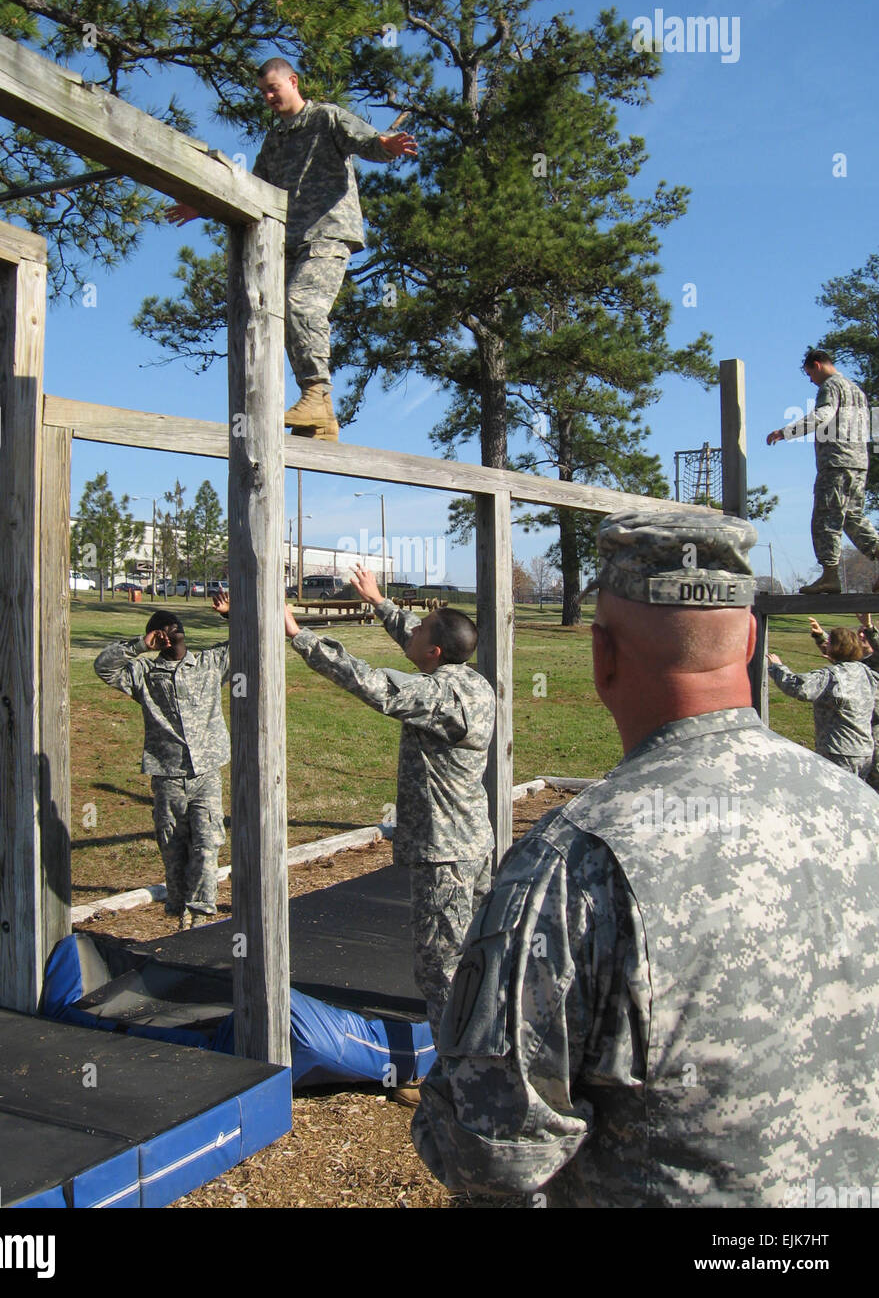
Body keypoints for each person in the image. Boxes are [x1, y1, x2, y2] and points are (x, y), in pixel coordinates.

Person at [412, 507, 879, 1204]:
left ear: (602, 656)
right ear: (749, 641)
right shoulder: (858, 809)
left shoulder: (572, 864)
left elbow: (491, 1153)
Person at [284, 566, 496, 1062]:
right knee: (479, 953)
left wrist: (299, 636)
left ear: (435, 653)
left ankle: (456, 1076)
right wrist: (380, 604)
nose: (413, 629)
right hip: (474, 842)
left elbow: (375, 684)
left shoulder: (438, 696)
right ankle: (491, 1046)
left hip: (445, 852)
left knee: (442, 966)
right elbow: (421, 644)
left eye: (420, 629)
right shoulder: (471, 682)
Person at [169, 59, 417, 441]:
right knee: (276, 312)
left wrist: (384, 145)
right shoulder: (276, 140)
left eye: (274, 88)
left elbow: (366, 140)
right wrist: (204, 204)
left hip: (330, 231)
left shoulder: (326, 118)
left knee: (302, 303)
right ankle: (322, 420)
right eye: (263, 92)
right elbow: (254, 187)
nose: (269, 97)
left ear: (293, 82)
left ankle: (316, 394)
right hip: (289, 239)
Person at [94, 596, 233, 930]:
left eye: (176, 625)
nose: (173, 629)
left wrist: (231, 614)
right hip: (167, 774)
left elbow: (250, 639)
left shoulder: (209, 663)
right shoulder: (144, 672)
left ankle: (200, 916)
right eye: (164, 628)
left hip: (206, 771)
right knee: (173, 848)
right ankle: (178, 912)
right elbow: (103, 666)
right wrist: (141, 646)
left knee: (206, 843)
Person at [766, 348, 879, 594]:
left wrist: (786, 432)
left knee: (825, 519)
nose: (811, 380)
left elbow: (823, 415)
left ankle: (830, 576)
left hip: (836, 463)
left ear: (817, 365)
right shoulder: (858, 391)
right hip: (859, 463)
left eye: (809, 374)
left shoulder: (830, 386)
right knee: (853, 518)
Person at [770, 625, 878, 779]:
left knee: (837, 794)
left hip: (838, 751)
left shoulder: (830, 676)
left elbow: (797, 687)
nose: (826, 644)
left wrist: (777, 667)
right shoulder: (866, 672)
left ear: (835, 647)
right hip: (864, 751)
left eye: (830, 642)